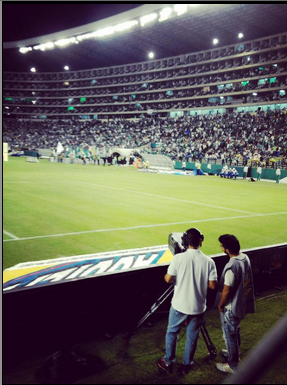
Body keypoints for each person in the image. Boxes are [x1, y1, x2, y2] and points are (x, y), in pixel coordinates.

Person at [157, 228, 218, 375]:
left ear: (184, 242)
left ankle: (168, 362)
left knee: (172, 332)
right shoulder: (209, 261)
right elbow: (213, 285)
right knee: (192, 336)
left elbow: (168, 279)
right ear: (200, 241)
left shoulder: (178, 258)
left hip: (179, 305)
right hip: (197, 307)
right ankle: (186, 365)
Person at [215, 234, 255, 374]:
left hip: (231, 307)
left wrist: (220, 305)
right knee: (235, 331)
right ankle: (233, 353)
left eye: (221, 245)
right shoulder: (244, 257)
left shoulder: (232, 266)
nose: (220, 247)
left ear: (226, 249)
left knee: (229, 335)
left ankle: (233, 365)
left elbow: (227, 290)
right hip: (241, 303)